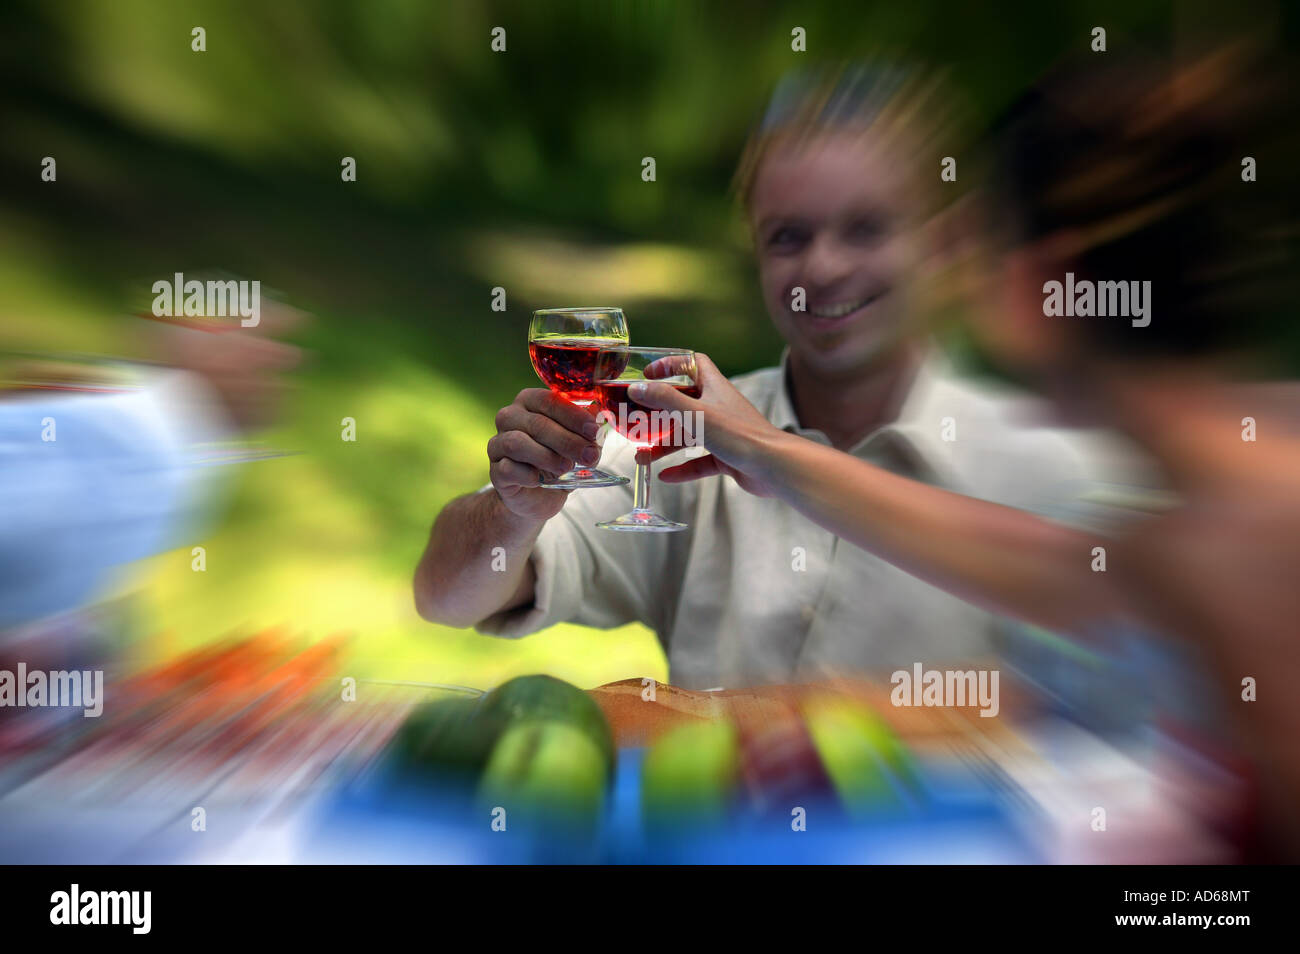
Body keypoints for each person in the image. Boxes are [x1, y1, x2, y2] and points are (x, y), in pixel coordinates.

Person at [628, 46, 1300, 856]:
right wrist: (765, 451)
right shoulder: (1229, 499)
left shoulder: (1241, 535)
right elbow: (1056, 569)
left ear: (1035, 286)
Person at [415, 65, 1132, 689]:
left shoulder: (1047, 468)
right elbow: (445, 599)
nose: (822, 268)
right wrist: (513, 509)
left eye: (866, 229)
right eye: (789, 236)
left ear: (945, 242)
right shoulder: (683, 442)